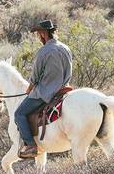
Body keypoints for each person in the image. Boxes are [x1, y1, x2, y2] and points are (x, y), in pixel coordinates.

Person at [15, 19, 73, 159]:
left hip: (45, 93)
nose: (38, 37)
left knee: (19, 114)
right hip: (63, 89)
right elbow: (69, 71)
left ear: (43, 34)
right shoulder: (65, 48)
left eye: (38, 34)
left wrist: (30, 89)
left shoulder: (44, 51)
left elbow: (35, 76)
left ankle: (30, 145)